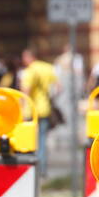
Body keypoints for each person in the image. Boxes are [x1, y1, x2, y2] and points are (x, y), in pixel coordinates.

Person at [20, 46, 59, 176]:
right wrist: (50, 99)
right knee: (42, 140)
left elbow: (26, 92)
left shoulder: (29, 71)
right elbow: (59, 88)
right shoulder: (48, 68)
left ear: (28, 57)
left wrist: (21, 107)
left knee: (29, 141)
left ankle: (31, 170)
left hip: (31, 110)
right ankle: (42, 169)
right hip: (45, 109)